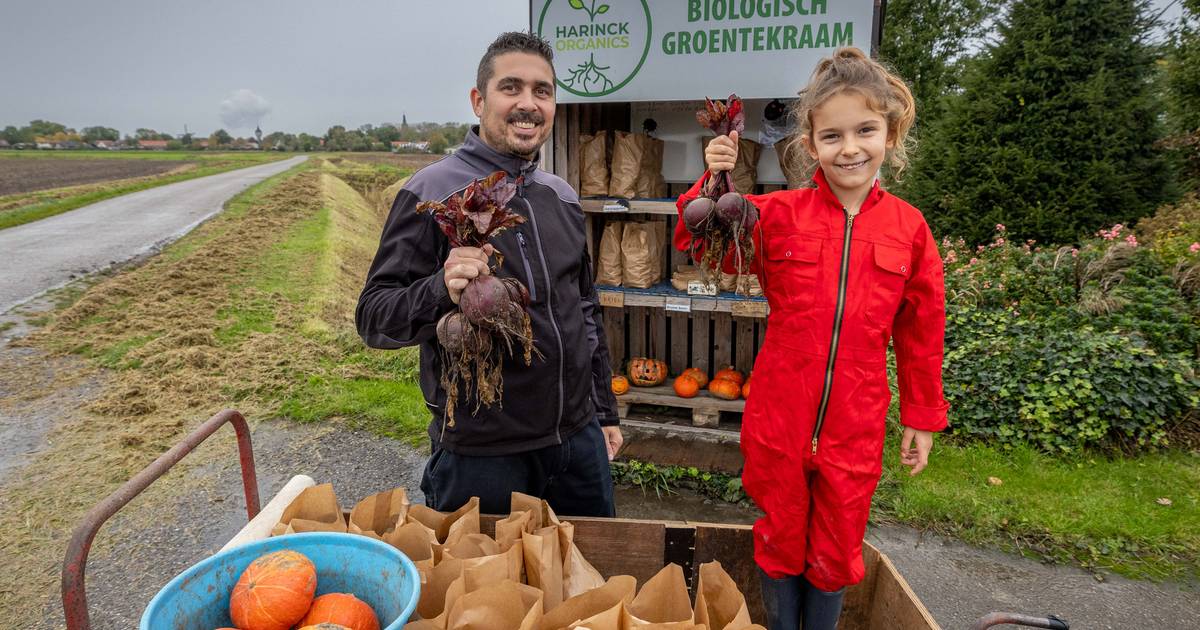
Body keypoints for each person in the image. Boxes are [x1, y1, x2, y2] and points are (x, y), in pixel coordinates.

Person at [674, 48, 948, 629]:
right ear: (811, 143)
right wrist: (714, 174)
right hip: (781, 408)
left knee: (839, 542)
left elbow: (922, 330)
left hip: (857, 415)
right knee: (780, 534)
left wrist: (922, 416)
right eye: (833, 135)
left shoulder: (909, 229)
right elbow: (701, 234)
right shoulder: (779, 215)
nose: (850, 148)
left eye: (865, 131)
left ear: (891, 134)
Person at [356, 31, 623, 518]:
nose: (528, 104)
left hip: (576, 443)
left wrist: (603, 412)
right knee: (485, 591)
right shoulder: (432, 192)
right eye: (511, 88)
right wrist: (442, 288)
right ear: (479, 101)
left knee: (592, 581)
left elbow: (584, 308)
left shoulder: (559, 196)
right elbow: (374, 318)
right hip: (484, 456)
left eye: (542, 91)